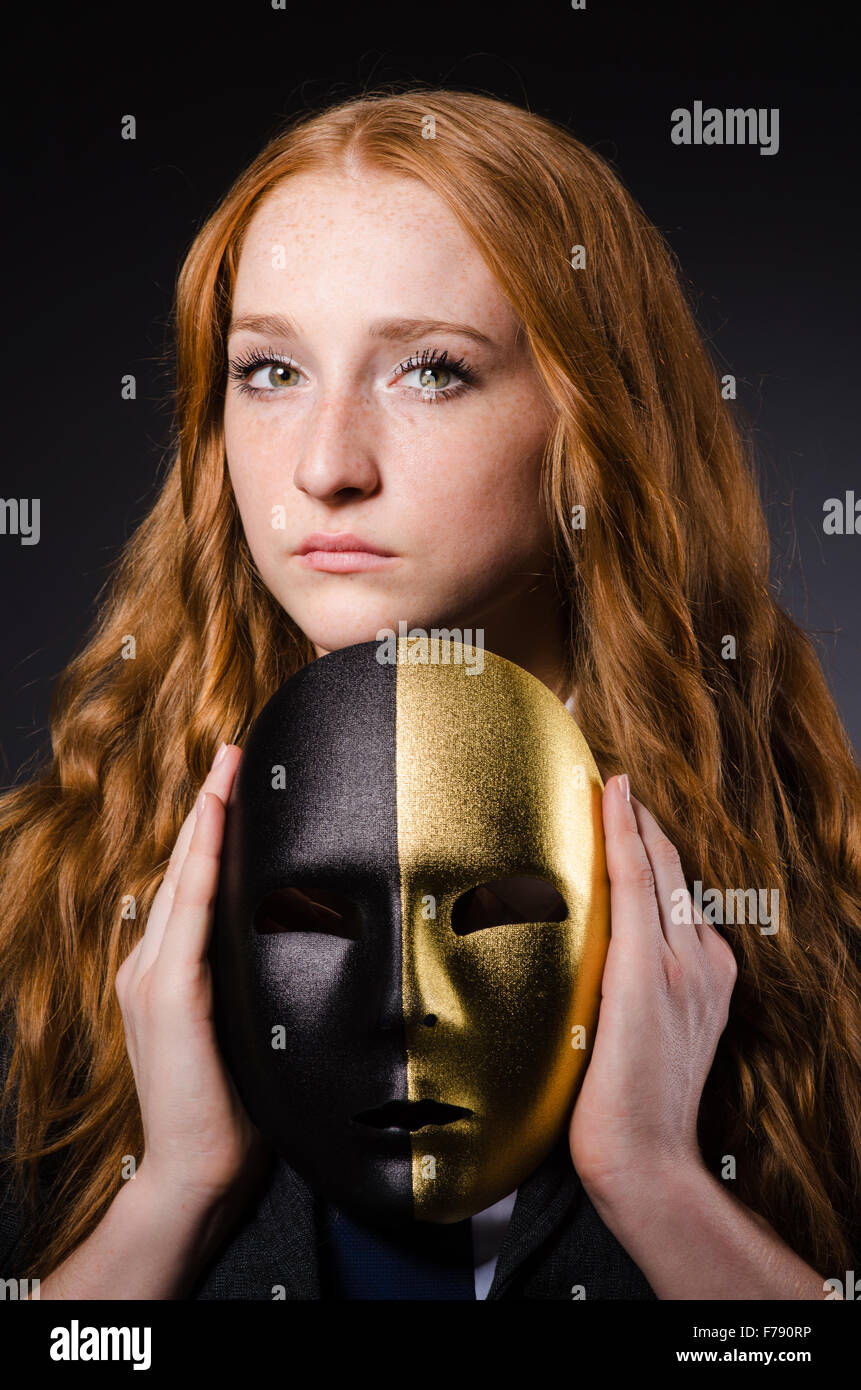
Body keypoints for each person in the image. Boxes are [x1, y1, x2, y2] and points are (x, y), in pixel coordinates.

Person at [1, 86, 859, 1301]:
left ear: (595, 416)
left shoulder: (829, 922)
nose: (324, 466)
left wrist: (660, 1186)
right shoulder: (36, 910)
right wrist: (170, 1193)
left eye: (432, 372)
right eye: (271, 369)